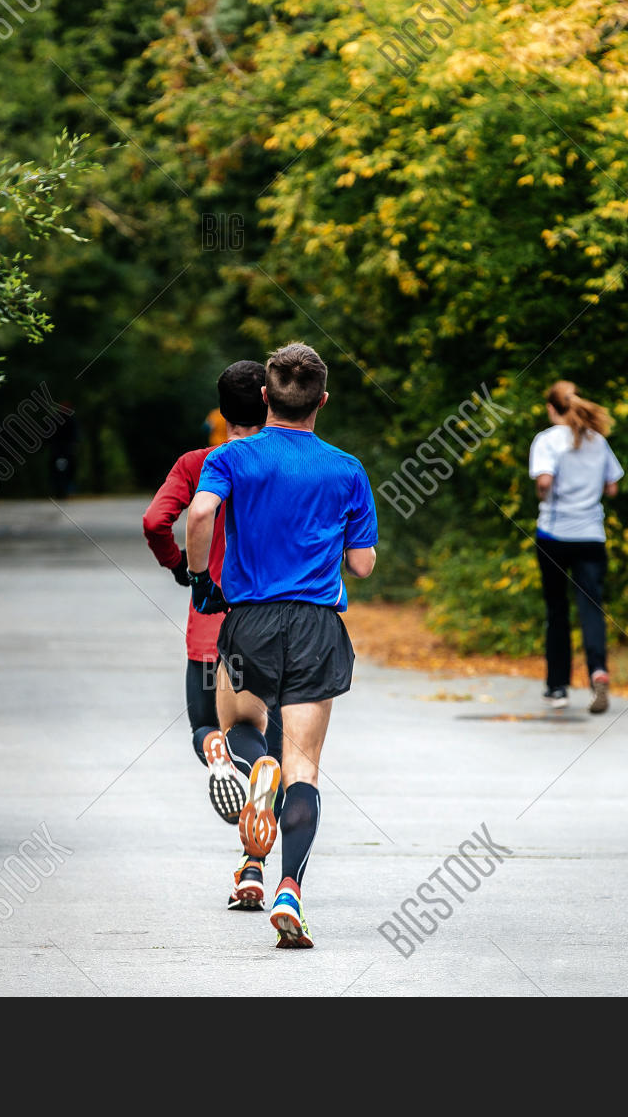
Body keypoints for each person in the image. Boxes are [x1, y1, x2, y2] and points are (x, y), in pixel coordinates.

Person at [185, 342, 378, 949]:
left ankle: (251, 770)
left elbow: (198, 516)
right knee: (306, 770)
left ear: (264, 397)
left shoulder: (235, 457)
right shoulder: (348, 469)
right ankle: (289, 889)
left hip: (250, 621)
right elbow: (364, 565)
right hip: (318, 626)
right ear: (323, 400)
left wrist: (200, 581)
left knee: (241, 723)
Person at [141, 361, 284, 911]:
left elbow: (156, 521)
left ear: (221, 413)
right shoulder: (284, 464)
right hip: (271, 623)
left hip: (210, 625)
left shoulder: (199, 463)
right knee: (267, 747)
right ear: (270, 402)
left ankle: (215, 751)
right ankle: (254, 869)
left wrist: (180, 564)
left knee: (207, 723)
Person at [528, 380, 624, 715]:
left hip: (554, 536)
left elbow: (543, 481)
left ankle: (557, 687)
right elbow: (612, 486)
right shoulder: (598, 440)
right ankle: (598, 671)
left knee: (557, 611)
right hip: (591, 536)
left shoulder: (547, 440)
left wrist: (547, 494)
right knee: (592, 607)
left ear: (552, 409)